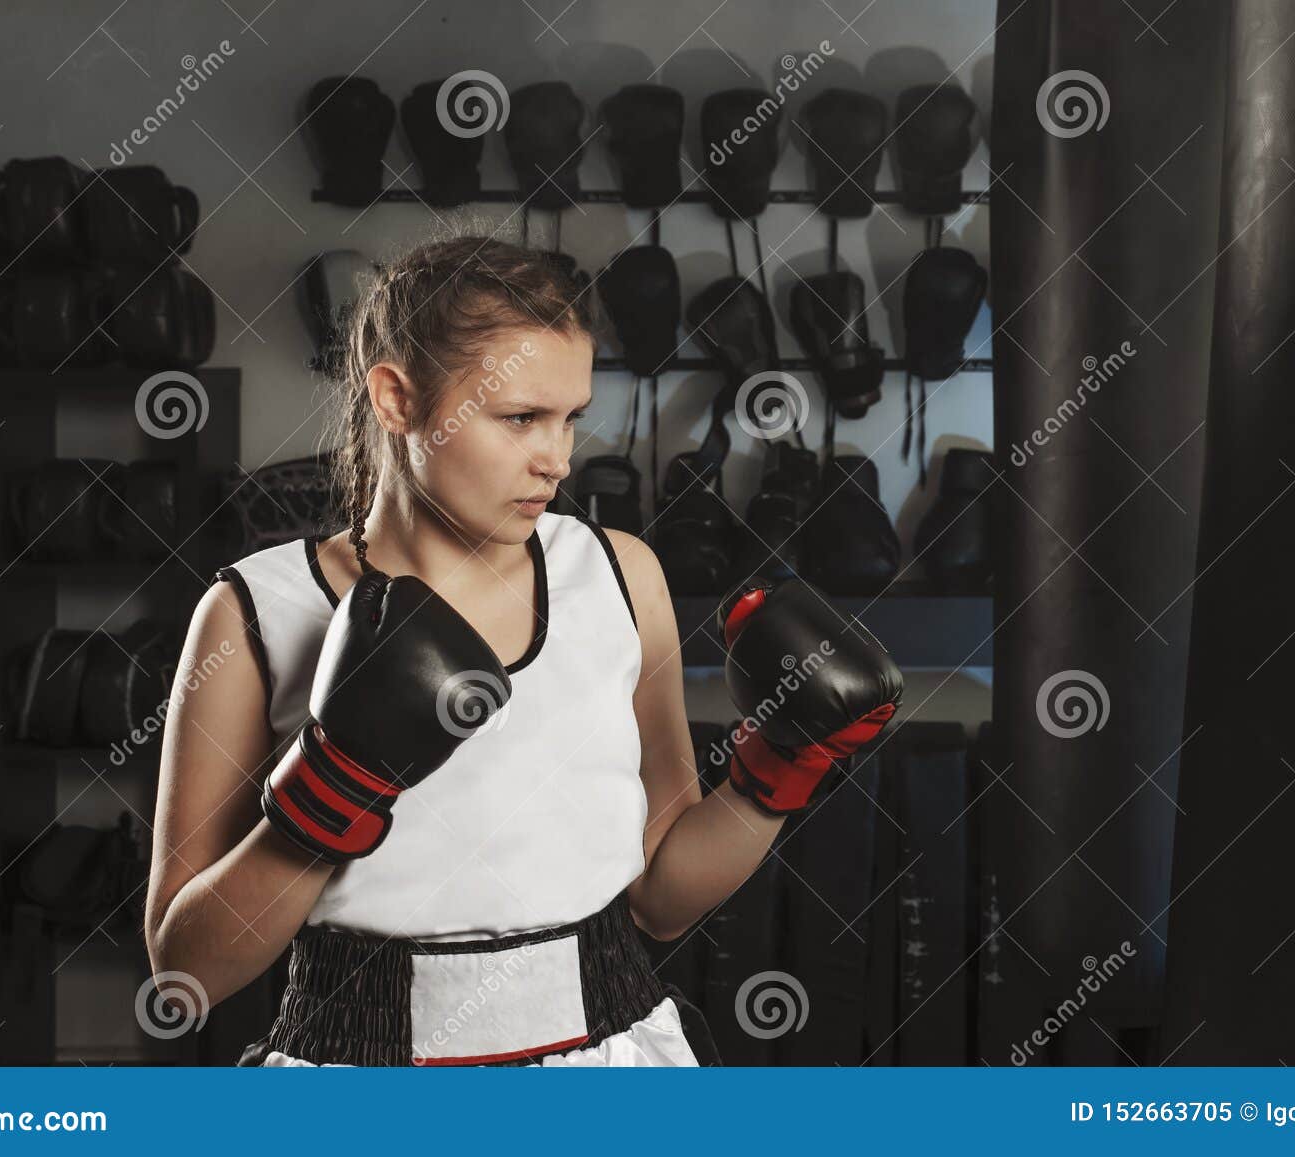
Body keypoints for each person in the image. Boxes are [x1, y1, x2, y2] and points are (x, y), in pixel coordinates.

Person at [144, 235, 902, 1067]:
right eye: (520, 419)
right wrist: (331, 792)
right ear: (397, 398)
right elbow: (186, 968)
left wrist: (778, 770)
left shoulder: (619, 575)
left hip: (611, 1053)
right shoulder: (256, 610)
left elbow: (661, 900)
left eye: (571, 417)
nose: (558, 459)